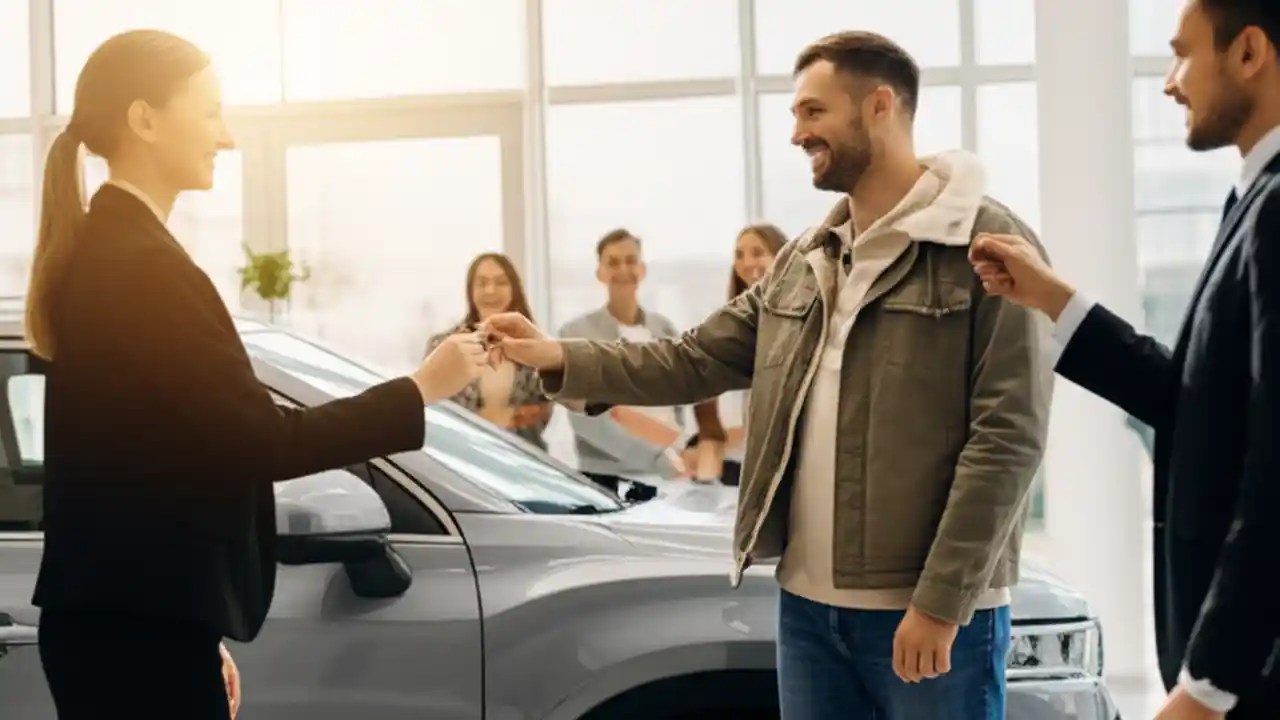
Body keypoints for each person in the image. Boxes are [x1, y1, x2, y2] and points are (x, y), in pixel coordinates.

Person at [485, 31, 1053, 720]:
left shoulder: (985, 247)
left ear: (878, 106)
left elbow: (1008, 437)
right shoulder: (807, 259)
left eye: (813, 112)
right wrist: (556, 356)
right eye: (793, 115)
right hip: (809, 612)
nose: (796, 133)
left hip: (928, 617)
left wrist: (941, 601)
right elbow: (690, 359)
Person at [27, 30, 486, 719]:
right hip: (137, 640)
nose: (228, 137)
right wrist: (421, 388)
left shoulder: (115, 251)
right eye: (210, 111)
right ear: (144, 119)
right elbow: (260, 442)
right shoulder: (140, 266)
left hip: (135, 628)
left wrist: (194, 630)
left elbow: (147, 467)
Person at [969, 2, 1280, 717]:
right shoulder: (1254, 201)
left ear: (1249, 51)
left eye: (1182, 54)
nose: (1171, 83)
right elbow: (1197, 404)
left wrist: (1206, 685)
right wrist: (1056, 301)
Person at [557, 228, 690, 500]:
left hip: (669, 476)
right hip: (606, 479)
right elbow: (585, 417)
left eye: (630, 260)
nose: (623, 269)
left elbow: (679, 397)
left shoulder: (665, 329)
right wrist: (658, 456)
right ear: (600, 272)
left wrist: (675, 449)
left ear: (642, 269)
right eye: (613, 262)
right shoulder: (574, 334)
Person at [685, 223, 788, 485]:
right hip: (733, 472)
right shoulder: (726, 330)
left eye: (758, 252)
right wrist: (707, 486)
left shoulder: (797, 327)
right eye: (739, 254)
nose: (747, 262)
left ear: (783, 256)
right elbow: (711, 430)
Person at [425, 253, 553, 449]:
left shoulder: (534, 346)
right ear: (470, 291)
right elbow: (432, 408)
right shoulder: (443, 345)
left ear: (514, 289)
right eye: (482, 283)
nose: (490, 290)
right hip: (462, 456)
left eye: (501, 282)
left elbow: (544, 409)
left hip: (524, 459)